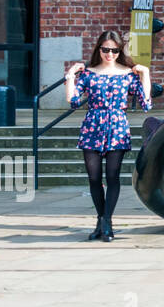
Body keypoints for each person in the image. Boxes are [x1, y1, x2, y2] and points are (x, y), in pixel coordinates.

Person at [65, 30, 151, 242]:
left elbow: (146, 103)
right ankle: (100, 220)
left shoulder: (128, 74)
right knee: (94, 178)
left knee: (112, 177)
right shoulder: (89, 73)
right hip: (92, 126)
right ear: (99, 49)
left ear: (119, 50)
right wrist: (69, 77)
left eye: (114, 50)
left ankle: (107, 222)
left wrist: (145, 74)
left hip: (117, 127)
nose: (110, 54)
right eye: (105, 49)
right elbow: (74, 101)